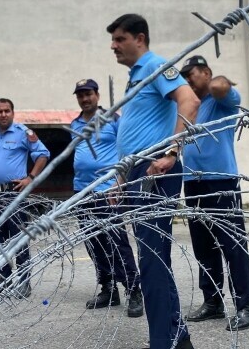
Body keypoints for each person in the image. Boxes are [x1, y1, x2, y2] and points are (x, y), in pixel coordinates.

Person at [106, 14, 200, 349]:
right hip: (136, 174)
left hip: (155, 172)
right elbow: (132, 134)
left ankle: (165, 341)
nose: (113, 46)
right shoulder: (135, 79)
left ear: (139, 38)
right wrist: (120, 178)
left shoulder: (157, 66)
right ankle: (175, 337)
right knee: (152, 259)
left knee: (152, 259)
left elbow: (190, 101)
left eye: (119, 39)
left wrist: (173, 150)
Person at [179, 55, 249, 331]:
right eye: (184, 74)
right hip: (194, 182)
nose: (188, 78)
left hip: (221, 182)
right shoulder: (190, 107)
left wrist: (214, 83)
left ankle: (245, 306)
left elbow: (223, 87)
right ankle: (212, 302)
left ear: (207, 73)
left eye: (193, 73)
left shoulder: (220, 101)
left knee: (232, 245)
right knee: (203, 246)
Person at [70, 78, 143, 317]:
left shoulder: (113, 119)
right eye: (80, 95)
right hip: (83, 191)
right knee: (94, 243)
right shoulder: (75, 123)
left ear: (97, 95)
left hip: (108, 191)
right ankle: (108, 289)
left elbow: (126, 150)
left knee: (117, 241)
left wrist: (120, 183)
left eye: (88, 93)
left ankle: (133, 290)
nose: (84, 98)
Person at [0, 98, 49, 299]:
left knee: (18, 238)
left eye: (7, 111)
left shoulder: (23, 133)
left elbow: (42, 154)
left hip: (14, 194)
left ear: (13, 113)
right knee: (0, 239)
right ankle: (4, 281)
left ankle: (24, 282)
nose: (3, 114)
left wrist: (30, 178)